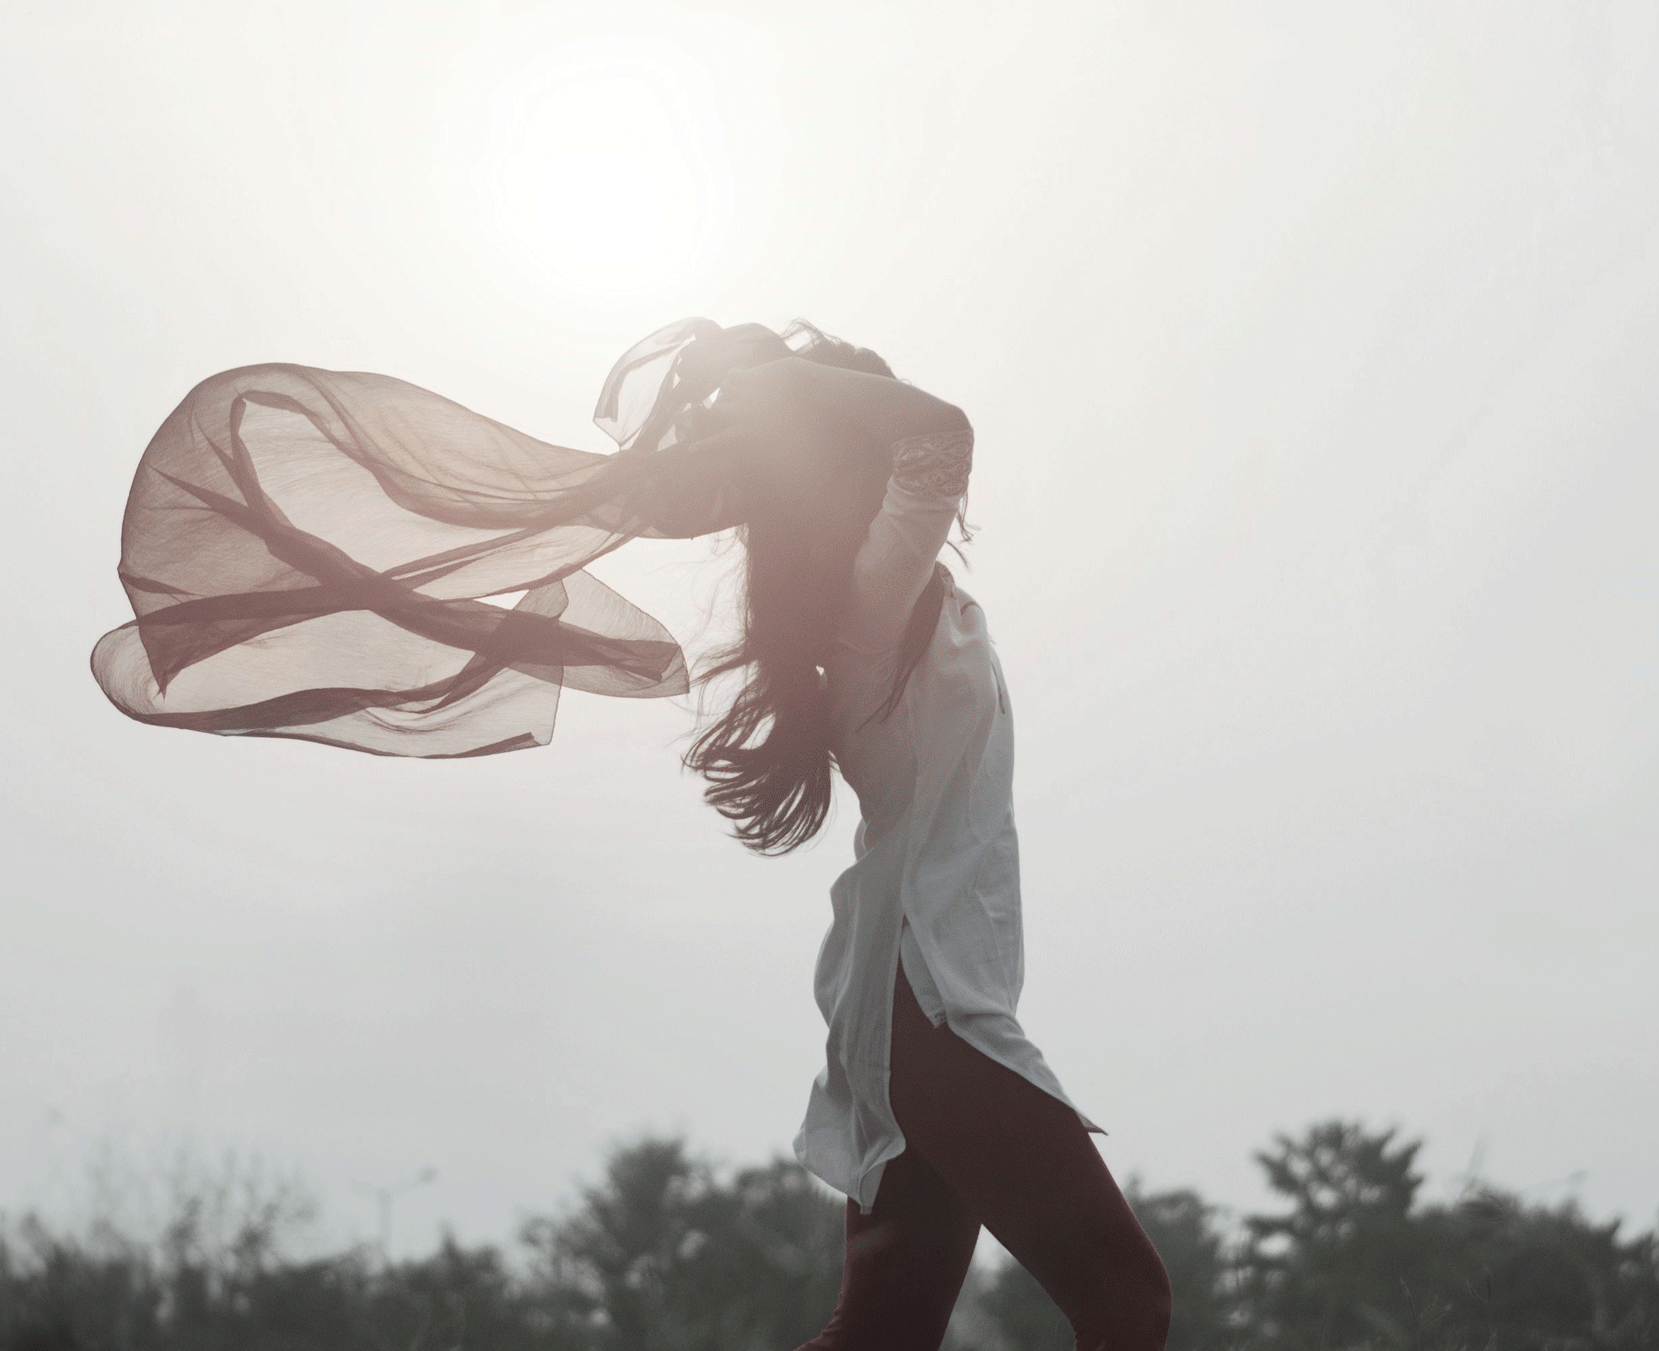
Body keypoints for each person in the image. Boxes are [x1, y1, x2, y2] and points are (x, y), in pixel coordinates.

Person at [90, 319, 1171, 1350]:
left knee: (879, 1339)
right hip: (928, 1005)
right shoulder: (871, 595)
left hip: (914, 1004)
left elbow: (915, 438)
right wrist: (792, 395)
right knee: (1127, 1301)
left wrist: (792, 399)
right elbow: (938, 436)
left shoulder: (869, 598)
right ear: (844, 465)